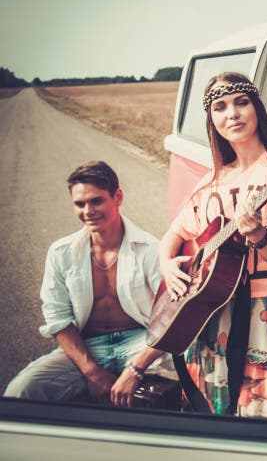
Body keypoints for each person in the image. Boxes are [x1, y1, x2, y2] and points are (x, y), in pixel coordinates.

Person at [159, 72, 267, 418]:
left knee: (263, 410)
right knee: (209, 407)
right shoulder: (210, 181)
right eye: (220, 107)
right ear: (212, 119)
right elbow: (173, 235)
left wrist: (257, 234)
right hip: (209, 307)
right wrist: (167, 264)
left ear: (256, 109)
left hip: (263, 306)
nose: (233, 114)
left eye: (242, 102)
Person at [4, 161, 173, 406]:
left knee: (194, 370)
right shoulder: (61, 252)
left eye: (96, 201)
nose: (88, 211)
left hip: (141, 342)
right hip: (88, 346)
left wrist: (135, 369)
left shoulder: (150, 249)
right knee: (19, 392)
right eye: (79, 204)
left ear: (118, 197)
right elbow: (57, 317)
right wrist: (92, 372)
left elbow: (171, 316)